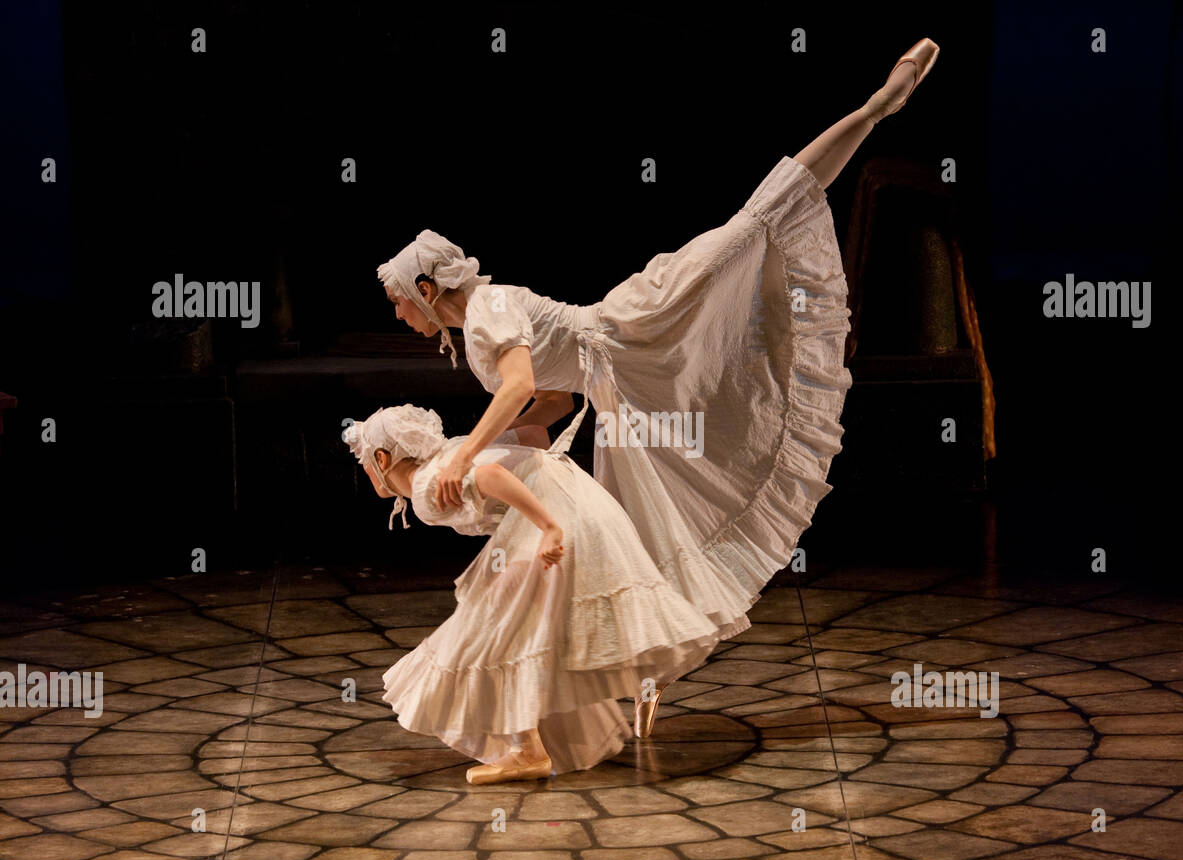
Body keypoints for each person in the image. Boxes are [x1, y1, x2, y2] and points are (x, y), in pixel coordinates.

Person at [377, 39, 941, 735]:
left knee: (753, 228)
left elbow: (521, 382)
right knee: (636, 541)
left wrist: (465, 458)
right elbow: (546, 401)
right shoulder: (478, 333)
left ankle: (875, 108)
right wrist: (526, 478)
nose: (400, 313)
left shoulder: (489, 311)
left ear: (429, 289)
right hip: (615, 388)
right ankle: (650, 676)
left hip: (635, 328)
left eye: (402, 300)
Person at [343, 404, 723, 783]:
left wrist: (548, 527)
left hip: (560, 521)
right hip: (584, 505)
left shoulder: (427, 489)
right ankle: (531, 745)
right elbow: (534, 438)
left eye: (363, 460)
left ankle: (526, 751)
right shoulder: (456, 450)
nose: (364, 468)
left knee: (487, 634)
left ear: (382, 457)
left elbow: (490, 475)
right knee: (515, 631)